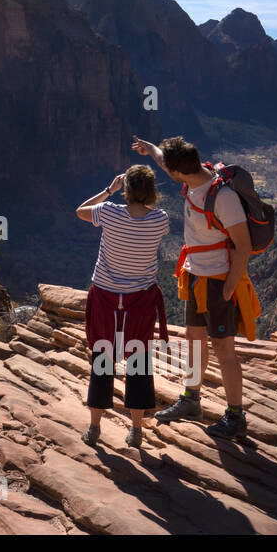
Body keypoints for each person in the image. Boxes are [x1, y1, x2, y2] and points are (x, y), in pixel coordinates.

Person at [130, 134, 252, 439]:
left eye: (169, 171)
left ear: (178, 172)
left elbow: (244, 245)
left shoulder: (221, 197)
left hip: (217, 281)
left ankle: (236, 416)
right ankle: (191, 400)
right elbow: (164, 159)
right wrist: (150, 149)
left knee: (224, 349)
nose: (167, 174)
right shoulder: (193, 177)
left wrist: (230, 286)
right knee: (194, 340)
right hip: (195, 276)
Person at [75, 164, 169, 449]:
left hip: (105, 297)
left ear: (126, 189)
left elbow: (80, 210)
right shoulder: (160, 219)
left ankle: (94, 428)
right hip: (139, 301)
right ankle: (136, 429)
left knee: (102, 358)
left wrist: (109, 189)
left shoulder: (109, 211)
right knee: (138, 361)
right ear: (152, 192)